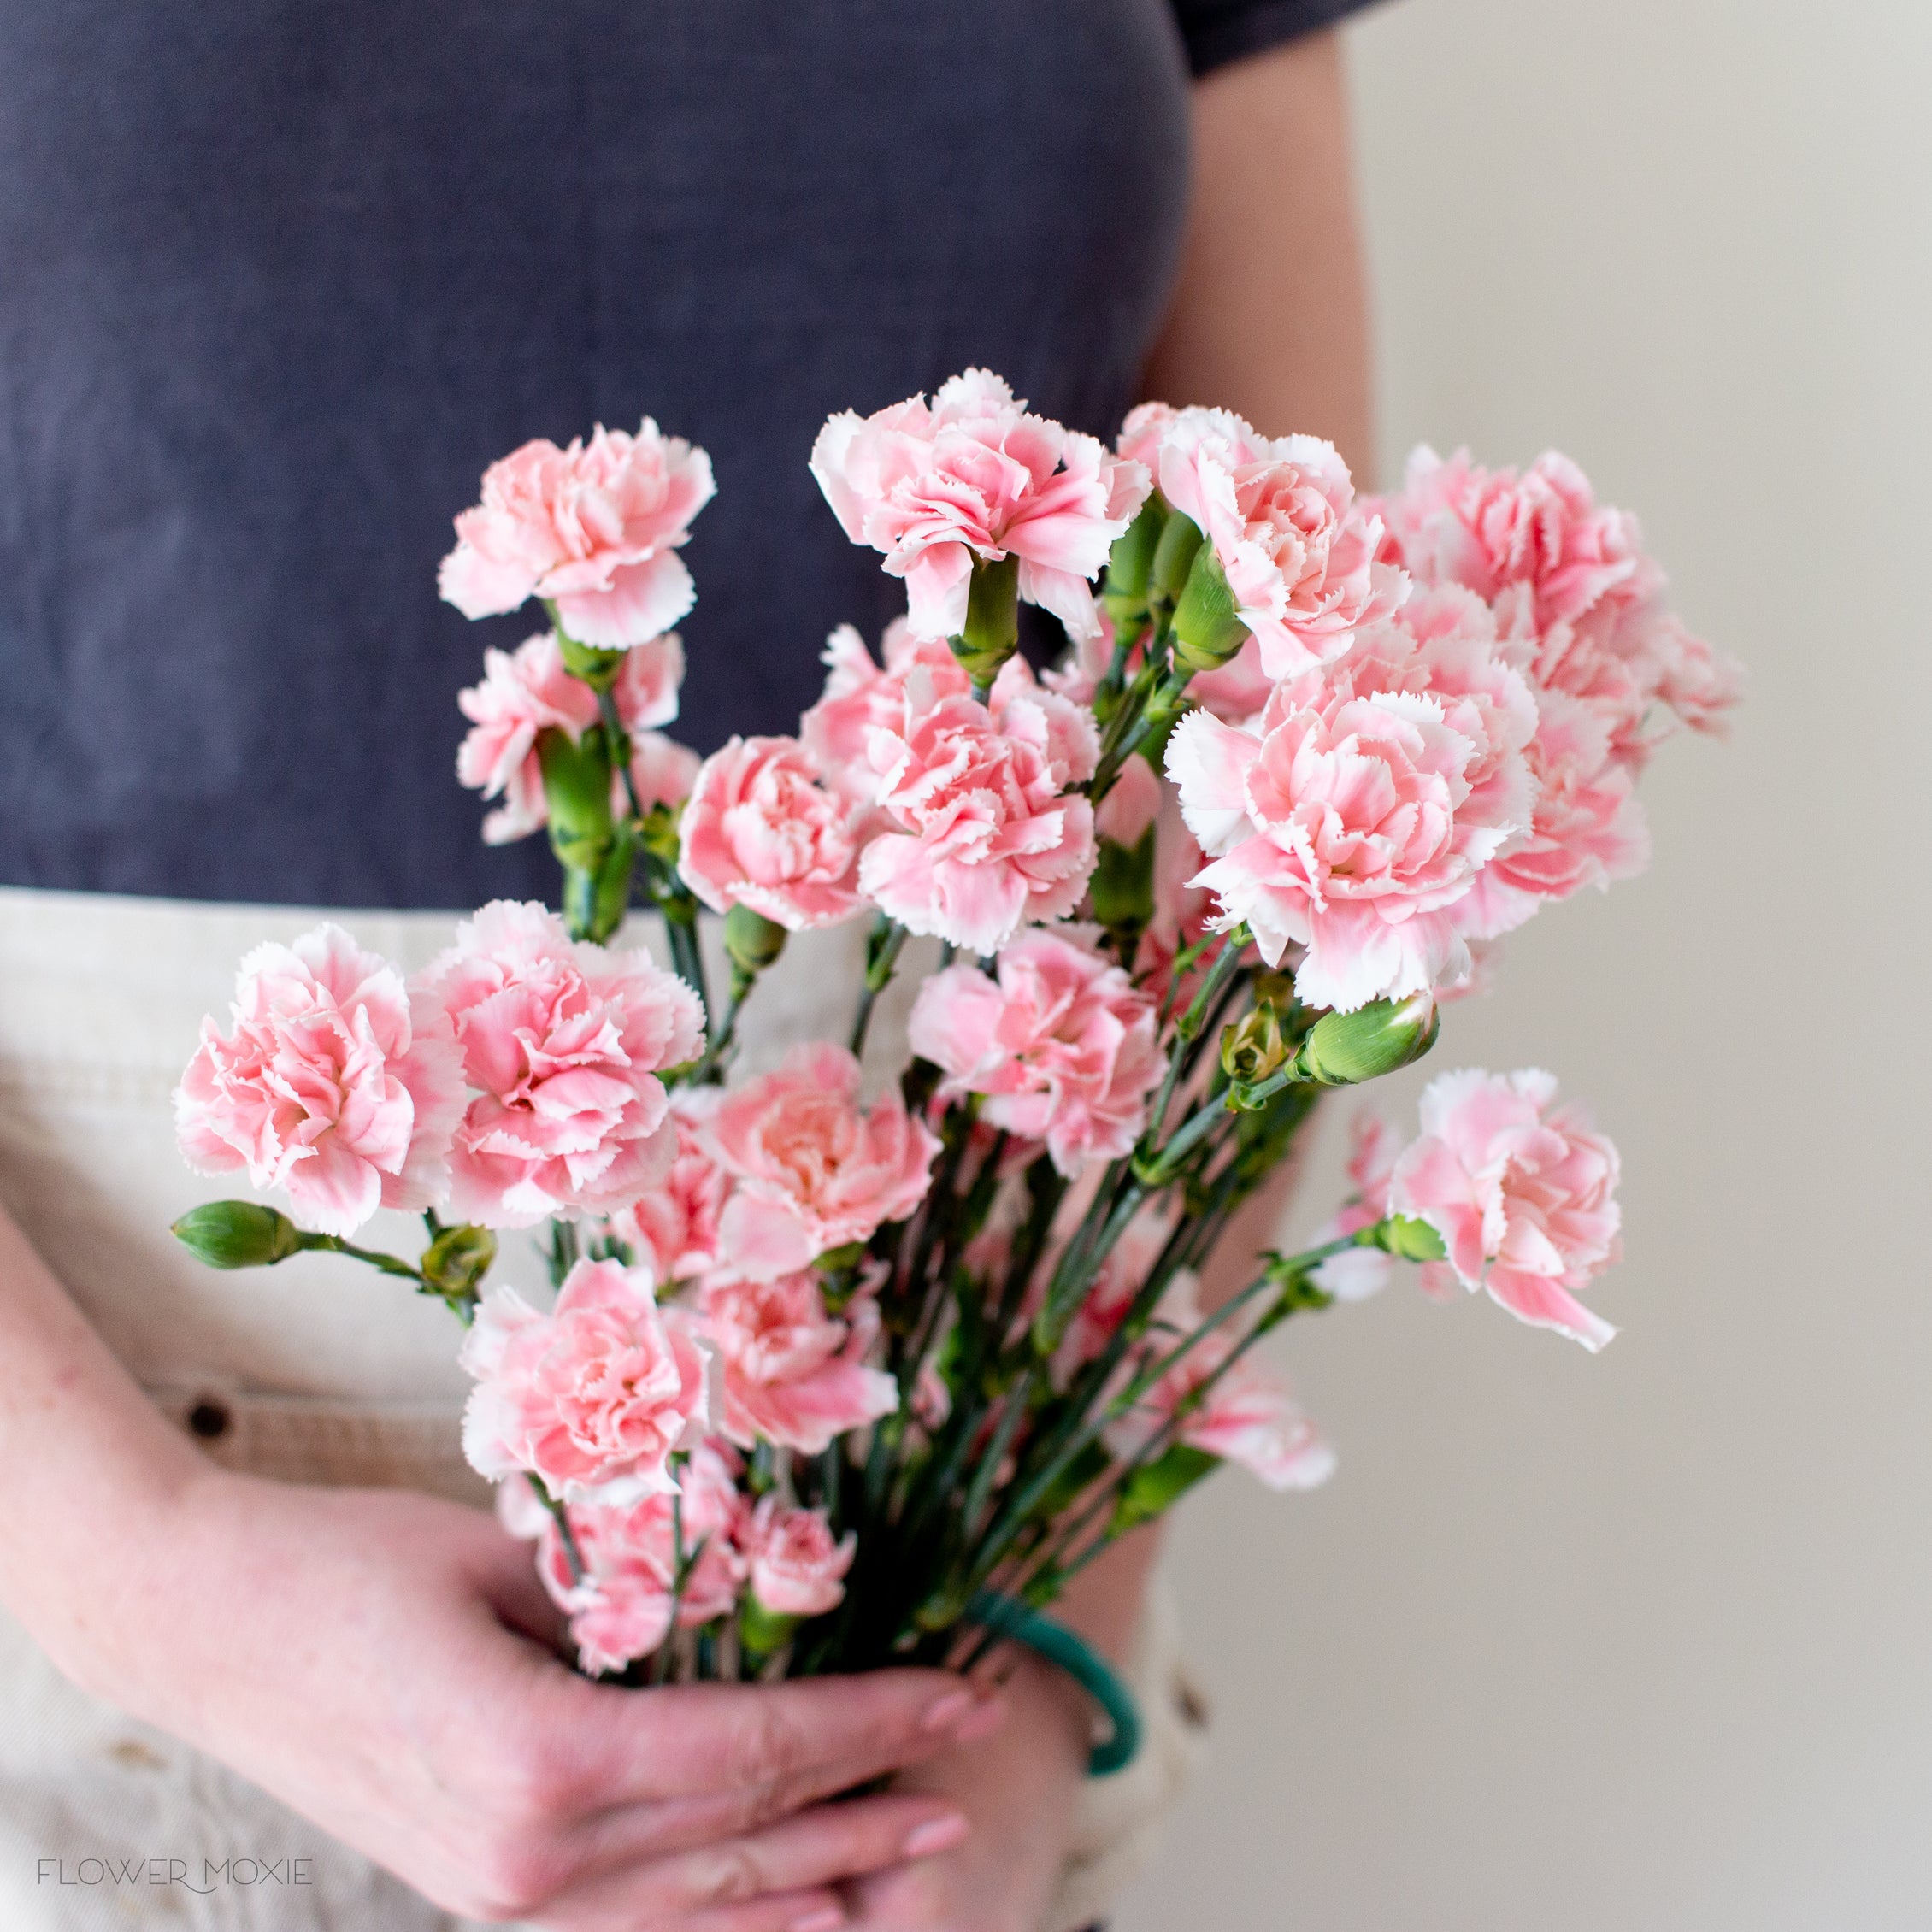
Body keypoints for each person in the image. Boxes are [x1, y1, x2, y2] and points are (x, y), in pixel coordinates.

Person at [0, 5, 1375, 1927]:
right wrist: (134, 1569)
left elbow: (1279, 698)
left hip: (911, 1594)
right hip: (77, 1602)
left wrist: (1031, 1640)